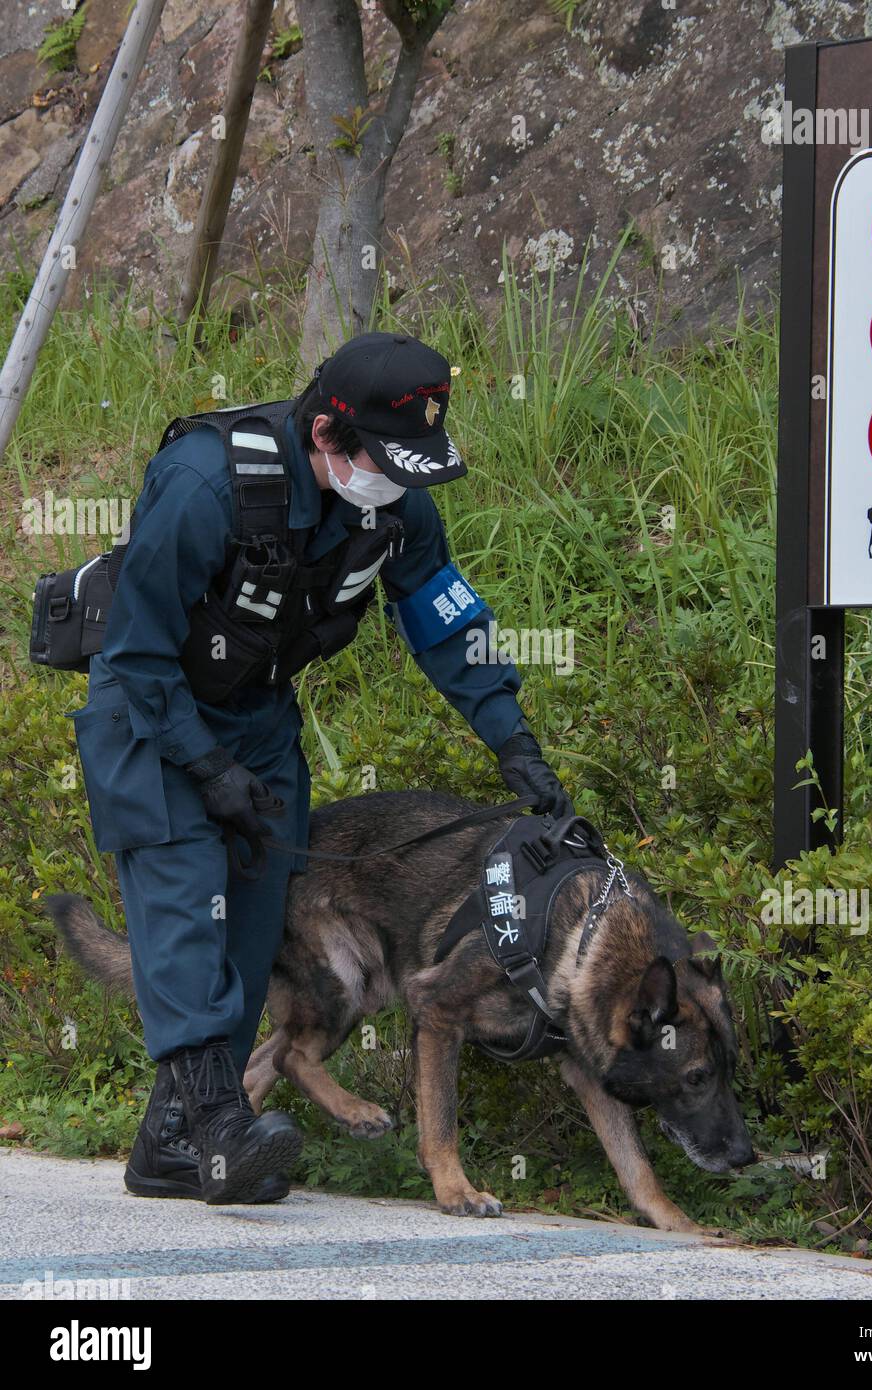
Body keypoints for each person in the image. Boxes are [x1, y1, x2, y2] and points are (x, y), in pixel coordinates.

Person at [71, 330, 572, 1204]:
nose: (402, 482)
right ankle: (220, 1134)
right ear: (328, 437)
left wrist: (515, 745)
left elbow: (448, 622)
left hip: (257, 719)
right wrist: (205, 765)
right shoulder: (206, 483)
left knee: (255, 925)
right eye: (387, 459)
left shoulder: (395, 505)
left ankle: (171, 1141)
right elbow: (138, 648)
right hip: (152, 712)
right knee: (189, 905)